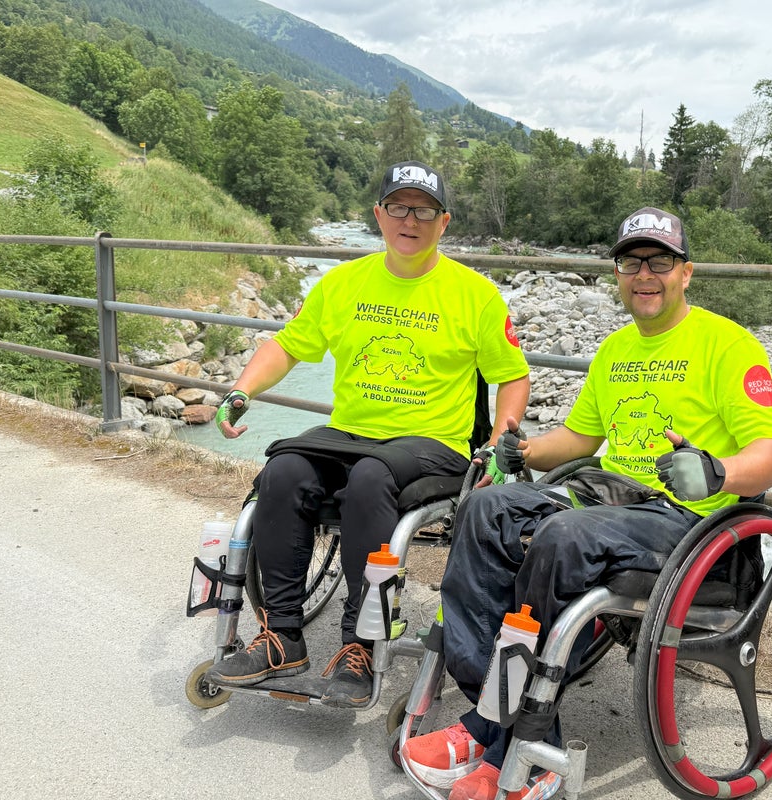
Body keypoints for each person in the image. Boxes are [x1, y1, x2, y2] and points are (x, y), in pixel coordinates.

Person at [400, 207, 772, 800]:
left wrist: (717, 470)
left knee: (565, 536)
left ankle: (511, 741)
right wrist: (523, 450)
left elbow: (771, 456)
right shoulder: (615, 350)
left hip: (686, 522)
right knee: (484, 510)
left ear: (686, 272)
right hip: (609, 499)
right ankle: (496, 716)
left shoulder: (730, 346)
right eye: (632, 263)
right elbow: (581, 440)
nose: (645, 274)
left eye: (659, 261)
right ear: (618, 275)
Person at [205, 161, 531, 708]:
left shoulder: (475, 295)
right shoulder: (342, 283)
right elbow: (287, 345)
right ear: (379, 215)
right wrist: (241, 391)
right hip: (349, 434)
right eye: (399, 207)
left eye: (424, 209)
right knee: (283, 470)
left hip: (434, 443)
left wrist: (500, 442)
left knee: (370, 479)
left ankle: (360, 643)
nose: (410, 220)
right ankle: (281, 636)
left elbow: (512, 375)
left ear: (444, 221)